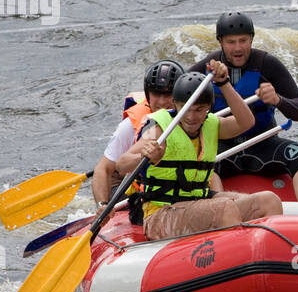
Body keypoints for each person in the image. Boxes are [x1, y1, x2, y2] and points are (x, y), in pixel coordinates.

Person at [117, 70, 283, 240]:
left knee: (269, 201)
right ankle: (238, 256)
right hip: (160, 215)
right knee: (224, 208)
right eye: (186, 109)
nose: (191, 117)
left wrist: (223, 83)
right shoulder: (159, 130)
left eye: (199, 110)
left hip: (198, 203)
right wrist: (144, 156)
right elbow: (122, 165)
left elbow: (246, 122)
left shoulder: (212, 124)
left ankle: (270, 255)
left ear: (208, 108)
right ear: (175, 105)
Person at [187, 11, 298, 203]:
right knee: (202, 160)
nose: (238, 48)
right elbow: (176, 101)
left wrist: (278, 100)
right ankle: (221, 212)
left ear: (252, 39)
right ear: (220, 42)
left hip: (262, 144)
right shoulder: (206, 69)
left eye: (243, 40)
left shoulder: (267, 65)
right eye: (231, 42)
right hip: (222, 149)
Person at [92, 60, 183, 205]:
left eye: (168, 95)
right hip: (125, 187)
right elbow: (102, 170)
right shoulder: (129, 126)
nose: (161, 102)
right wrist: (102, 205)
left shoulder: (191, 118)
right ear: (148, 95)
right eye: (156, 94)